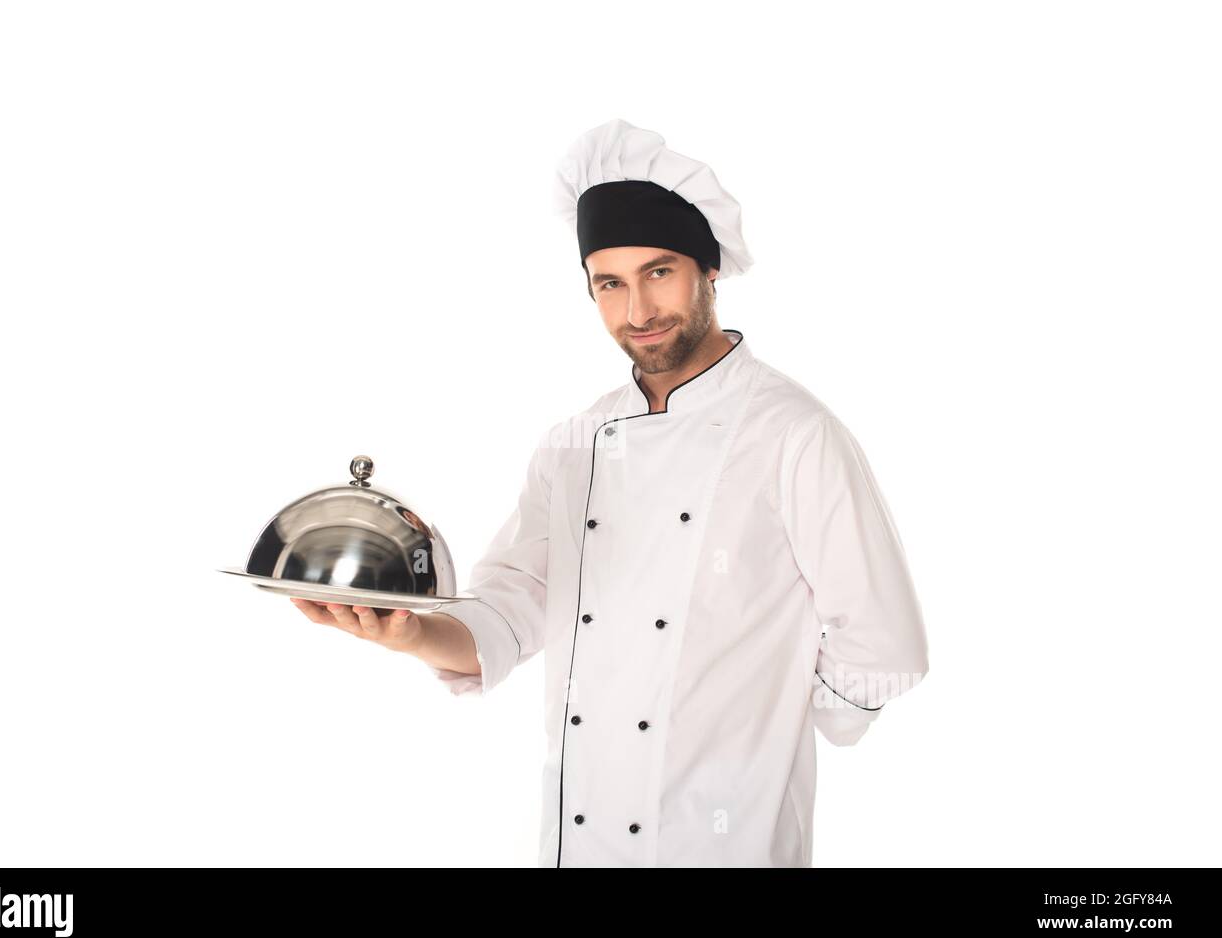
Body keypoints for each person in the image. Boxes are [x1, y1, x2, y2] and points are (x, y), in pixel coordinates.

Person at [291, 119, 930, 867]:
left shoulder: (794, 433)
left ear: (708, 269)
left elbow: (884, 643)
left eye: (660, 272)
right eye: (610, 283)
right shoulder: (576, 441)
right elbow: (511, 602)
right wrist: (407, 632)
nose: (638, 311)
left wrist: (763, 725)